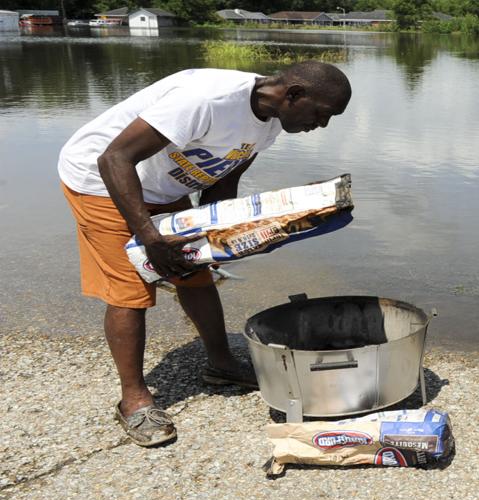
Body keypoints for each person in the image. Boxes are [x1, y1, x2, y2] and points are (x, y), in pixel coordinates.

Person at [58, 62, 351, 446]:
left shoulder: (270, 120)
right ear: (294, 94)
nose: (321, 125)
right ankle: (134, 401)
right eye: (321, 114)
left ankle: (222, 364)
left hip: (159, 186)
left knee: (194, 272)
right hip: (102, 181)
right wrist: (148, 235)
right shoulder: (205, 100)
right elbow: (113, 159)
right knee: (130, 288)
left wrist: (220, 238)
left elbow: (221, 184)